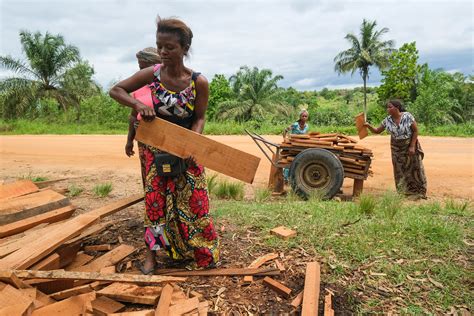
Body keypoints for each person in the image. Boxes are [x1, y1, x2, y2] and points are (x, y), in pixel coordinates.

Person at [110, 17, 220, 273]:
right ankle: (153, 256)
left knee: (196, 202)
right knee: (155, 204)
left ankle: (201, 251)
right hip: (155, 149)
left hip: (187, 148)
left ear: (184, 48)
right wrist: (139, 105)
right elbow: (116, 90)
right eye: (160, 46)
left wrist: (193, 144)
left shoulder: (198, 82)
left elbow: (200, 116)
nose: (163, 52)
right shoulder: (152, 74)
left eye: (169, 47)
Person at [364, 99, 427, 199]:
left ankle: (419, 191)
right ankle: (403, 192)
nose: (388, 109)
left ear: (397, 108)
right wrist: (368, 126)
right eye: (387, 107)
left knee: (415, 167)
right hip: (396, 148)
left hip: (409, 144)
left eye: (390, 107)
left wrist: (412, 146)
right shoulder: (387, 120)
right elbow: (377, 131)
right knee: (399, 169)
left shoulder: (407, 116)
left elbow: (415, 131)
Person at [125, 47, 161, 158]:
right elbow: (134, 116)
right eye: (141, 68)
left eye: (145, 68)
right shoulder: (138, 88)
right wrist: (129, 141)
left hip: (167, 138)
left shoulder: (169, 86)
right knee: (149, 173)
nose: (142, 73)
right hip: (144, 140)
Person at [283, 109, 309, 181]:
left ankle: (295, 177)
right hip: (292, 145)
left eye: (306, 116)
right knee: (289, 160)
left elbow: (306, 136)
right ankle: (286, 178)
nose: (304, 117)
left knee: (298, 161)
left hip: (301, 146)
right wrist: (285, 139)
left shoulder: (307, 126)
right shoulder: (295, 124)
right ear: (300, 117)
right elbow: (285, 130)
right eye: (303, 116)